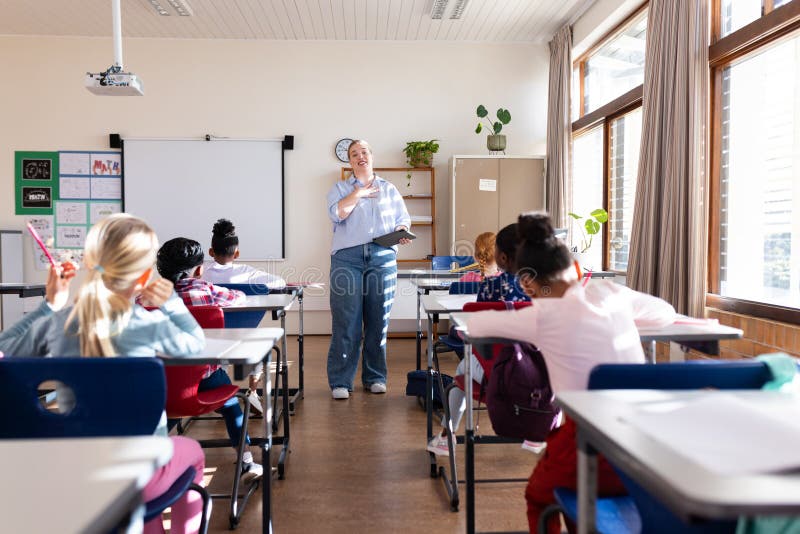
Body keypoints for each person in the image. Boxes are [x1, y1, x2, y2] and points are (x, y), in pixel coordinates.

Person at [464, 212, 676, 534]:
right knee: (574, 490)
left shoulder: (541, 316)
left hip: (591, 442)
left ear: (528, 283)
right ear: (573, 268)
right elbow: (665, 312)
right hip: (648, 445)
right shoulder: (611, 293)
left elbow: (474, 324)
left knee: (540, 494)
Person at [0, 214, 208, 534]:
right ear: (143, 278)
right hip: (139, 470)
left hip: (70, 471)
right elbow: (195, 346)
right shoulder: (148, 324)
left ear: (91, 265)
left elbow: (5, 349)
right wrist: (172, 303)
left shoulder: (58, 323)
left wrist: (50, 304)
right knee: (192, 453)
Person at [155, 237, 263, 477]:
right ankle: (246, 461)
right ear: (198, 270)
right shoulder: (205, 290)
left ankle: (152, 452)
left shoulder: (148, 299)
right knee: (232, 404)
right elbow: (238, 298)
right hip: (204, 378)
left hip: (159, 383)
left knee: (170, 408)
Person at [427, 223, 531, 457]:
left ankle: (446, 436)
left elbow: (475, 331)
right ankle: (545, 430)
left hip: (494, 371)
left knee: (462, 371)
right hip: (538, 372)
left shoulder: (491, 286)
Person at [325, 139, 411, 400]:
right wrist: (359, 193)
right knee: (346, 322)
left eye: (363, 152)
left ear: (371, 157)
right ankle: (341, 381)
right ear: (349, 162)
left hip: (382, 257)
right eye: (354, 154)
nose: (359, 156)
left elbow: (402, 220)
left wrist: (401, 232)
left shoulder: (389, 189)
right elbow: (338, 213)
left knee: (378, 321)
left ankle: (375, 376)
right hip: (346, 259)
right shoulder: (340, 188)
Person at [203, 218, 286, 289]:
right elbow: (280, 282)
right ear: (237, 254)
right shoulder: (246, 272)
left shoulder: (200, 271)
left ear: (211, 252)